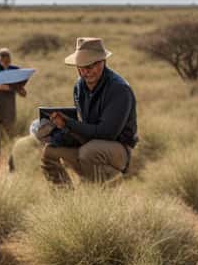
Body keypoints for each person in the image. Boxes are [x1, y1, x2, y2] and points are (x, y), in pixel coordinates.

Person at [42, 37, 137, 185]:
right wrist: (56, 132)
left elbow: (106, 133)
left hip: (120, 150)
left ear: (103, 63)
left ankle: (102, 189)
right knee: (50, 151)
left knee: (89, 152)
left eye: (91, 66)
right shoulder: (79, 87)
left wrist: (68, 123)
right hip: (91, 143)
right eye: (81, 67)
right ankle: (65, 199)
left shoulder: (119, 89)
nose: (86, 72)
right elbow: (85, 128)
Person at [0, 47, 26, 155]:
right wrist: (13, 87)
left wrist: (18, 88)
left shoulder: (14, 70)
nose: (6, 61)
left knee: (10, 128)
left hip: (9, 103)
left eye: (7, 58)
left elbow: (22, 91)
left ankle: (13, 152)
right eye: (3, 59)